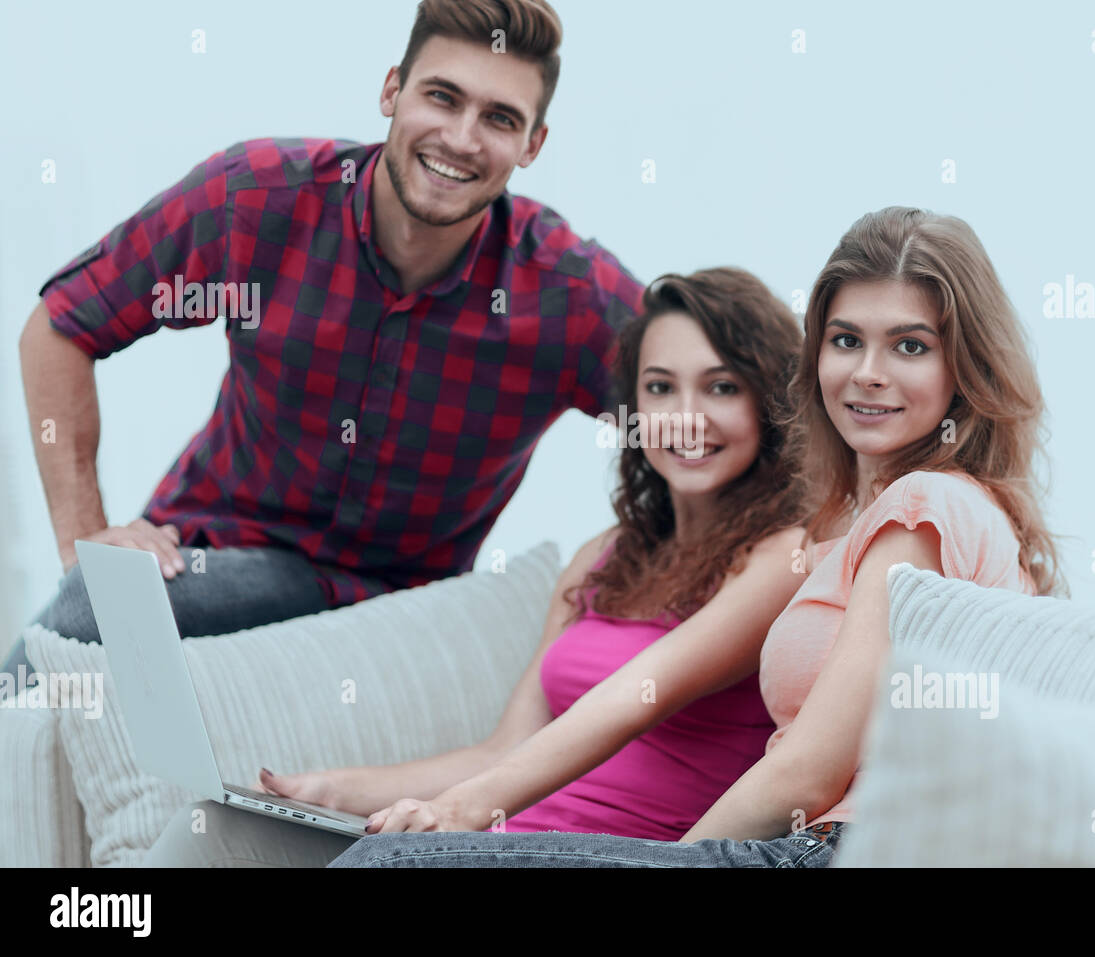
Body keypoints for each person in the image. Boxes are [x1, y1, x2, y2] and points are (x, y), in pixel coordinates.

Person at [318, 205, 1067, 867]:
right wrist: (332, 791)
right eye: (846, 340)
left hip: (841, 844)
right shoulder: (870, 528)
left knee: (390, 865)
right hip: (810, 843)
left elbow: (807, 774)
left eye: (910, 346)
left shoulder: (923, 507)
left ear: (964, 364)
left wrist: (672, 865)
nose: (868, 373)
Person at [3, 0, 643, 690]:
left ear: (532, 145)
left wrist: (636, 575)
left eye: (499, 119)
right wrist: (84, 540)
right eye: (442, 96)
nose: (461, 138)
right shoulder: (257, 198)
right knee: (87, 616)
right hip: (218, 556)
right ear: (392, 90)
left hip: (398, 615)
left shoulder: (570, 293)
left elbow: (698, 421)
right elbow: (62, 325)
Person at [142, 267, 813, 866]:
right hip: (496, 842)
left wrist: (458, 810)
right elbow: (502, 750)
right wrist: (332, 790)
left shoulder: (787, 554)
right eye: (660, 388)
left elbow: (637, 699)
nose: (685, 417)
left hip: (618, 853)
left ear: (770, 403)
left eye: (721, 387)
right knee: (214, 831)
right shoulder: (605, 555)